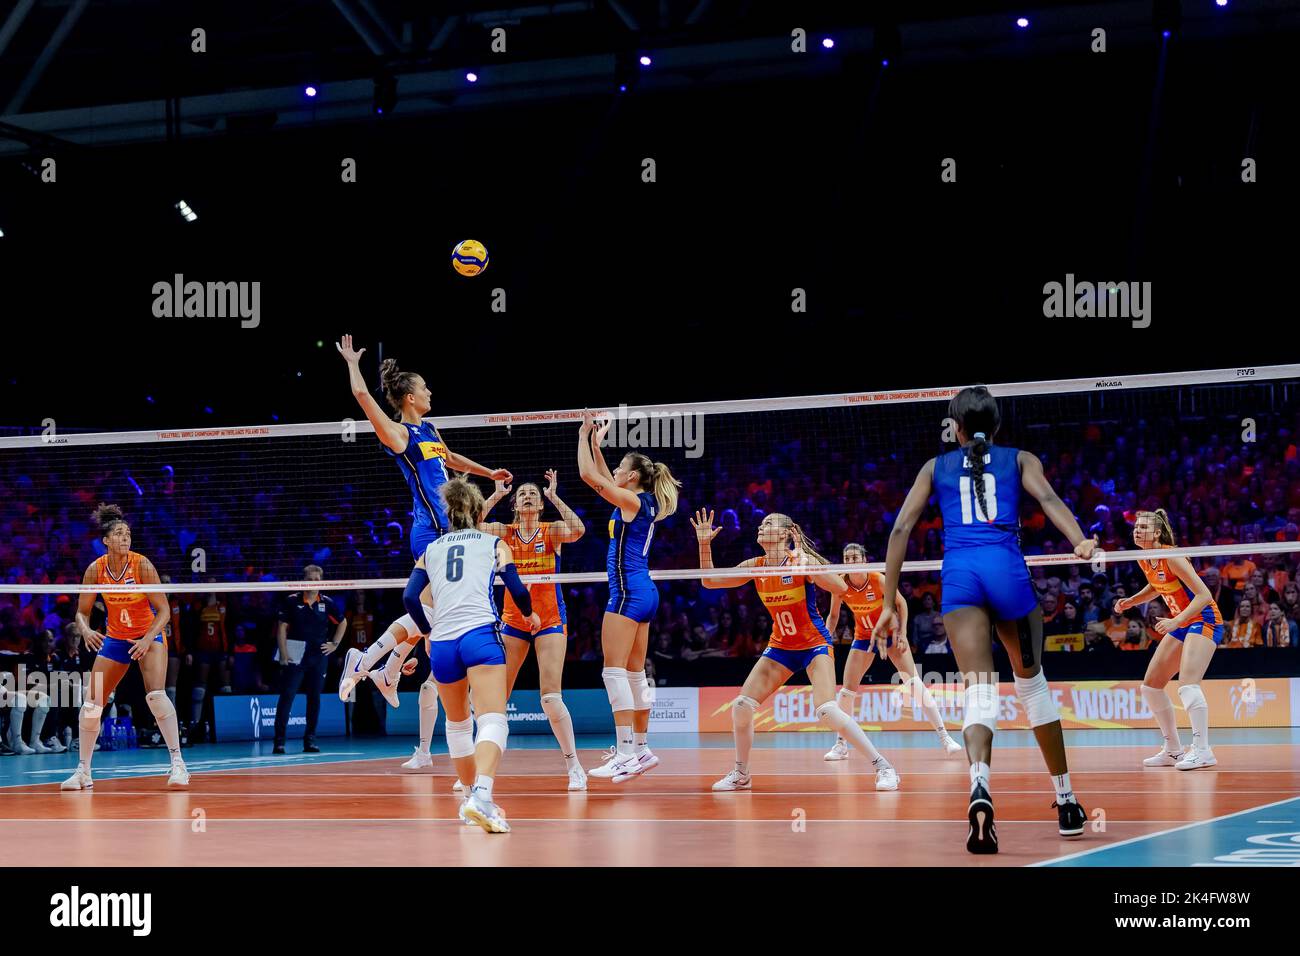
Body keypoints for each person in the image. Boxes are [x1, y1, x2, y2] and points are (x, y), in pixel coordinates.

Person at [875, 385, 1090, 854]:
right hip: (1006, 570)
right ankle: (1067, 801)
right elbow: (1050, 501)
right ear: (996, 426)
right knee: (1032, 685)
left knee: (979, 689)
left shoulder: (934, 467)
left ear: (953, 428)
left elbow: (900, 529)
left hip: (961, 577)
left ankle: (979, 788)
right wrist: (1080, 540)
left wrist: (889, 603)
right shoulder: (1019, 458)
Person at [334, 335, 511, 711]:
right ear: (410, 397)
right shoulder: (400, 435)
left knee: (433, 613)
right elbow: (364, 400)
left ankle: (387, 670)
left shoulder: (430, 430)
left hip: (452, 530)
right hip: (430, 532)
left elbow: (451, 459)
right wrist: (352, 364)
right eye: (425, 387)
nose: (430, 391)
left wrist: (487, 472)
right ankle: (363, 663)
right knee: (430, 610)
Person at [692, 510, 900, 793]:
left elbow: (840, 588)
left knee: (827, 711)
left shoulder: (800, 562)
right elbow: (710, 581)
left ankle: (883, 766)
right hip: (781, 647)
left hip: (814, 644)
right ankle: (741, 774)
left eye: (768, 524)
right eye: (762, 523)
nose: (761, 527)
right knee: (741, 707)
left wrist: (808, 566)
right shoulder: (757, 565)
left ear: (784, 534)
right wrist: (704, 544)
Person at [401, 477, 541, 833]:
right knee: (493, 719)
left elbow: (409, 598)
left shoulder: (429, 549)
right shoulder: (494, 542)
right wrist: (527, 614)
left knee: (458, 724)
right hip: (479, 635)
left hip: (444, 643)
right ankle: (482, 794)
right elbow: (516, 587)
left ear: (449, 513)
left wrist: (427, 632)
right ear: (480, 512)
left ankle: (469, 798)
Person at [578, 411, 680, 783]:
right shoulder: (641, 501)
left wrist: (582, 434)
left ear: (632, 476)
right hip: (645, 590)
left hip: (627, 591)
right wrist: (596, 445)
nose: (616, 472)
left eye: (622, 467)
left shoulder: (632, 503)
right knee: (636, 674)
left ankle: (623, 753)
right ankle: (640, 749)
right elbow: (603, 477)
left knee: (613, 671)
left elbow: (590, 477)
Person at [61, 504, 188, 791]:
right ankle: (83, 771)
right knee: (92, 705)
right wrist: (86, 629)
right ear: (106, 540)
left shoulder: (141, 564)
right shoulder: (95, 570)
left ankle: (178, 764)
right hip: (116, 638)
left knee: (156, 696)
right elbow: (81, 612)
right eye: (119, 534)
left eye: (128, 533)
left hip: (148, 635)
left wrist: (146, 639)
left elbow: (164, 610)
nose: (125, 538)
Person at [478, 471, 588, 790]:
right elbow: (470, 526)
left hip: (551, 619)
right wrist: (497, 493)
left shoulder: (551, 531)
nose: (528, 496)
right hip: (513, 621)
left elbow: (578, 529)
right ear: (515, 503)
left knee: (551, 698)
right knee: (497, 698)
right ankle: (479, 770)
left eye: (534, 494)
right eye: (523, 493)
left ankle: (574, 767)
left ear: (540, 505)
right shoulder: (503, 532)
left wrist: (554, 495)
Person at [823, 543, 961, 760]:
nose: (850, 562)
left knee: (914, 684)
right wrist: (824, 640)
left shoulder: (878, 579)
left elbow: (901, 603)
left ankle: (945, 737)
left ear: (864, 561)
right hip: (863, 638)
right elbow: (833, 617)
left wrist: (903, 633)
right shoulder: (840, 585)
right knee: (846, 692)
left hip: (890, 634)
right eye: (847, 558)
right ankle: (841, 745)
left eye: (855, 558)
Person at [1118, 510, 1224, 770]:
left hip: (1204, 619)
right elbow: (1157, 585)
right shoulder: (1145, 558)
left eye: (1144, 527)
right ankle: (1174, 750)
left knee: (1187, 685)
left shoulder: (1172, 556)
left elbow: (1203, 594)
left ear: (1157, 533)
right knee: (1151, 686)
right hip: (1182, 622)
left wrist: (1176, 621)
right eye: (1136, 526)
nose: (1137, 530)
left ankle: (1202, 750)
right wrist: (1134, 600)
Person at [272, 565, 347, 754]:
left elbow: (342, 622)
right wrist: (283, 653)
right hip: (295, 654)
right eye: (311, 580)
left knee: (314, 698)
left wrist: (334, 644)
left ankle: (310, 740)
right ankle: (279, 741)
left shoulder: (327, 603)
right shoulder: (292, 601)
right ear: (303, 580)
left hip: (318, 656)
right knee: (287, 696)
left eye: (317, 580)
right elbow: (281, 627)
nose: (314, 584)